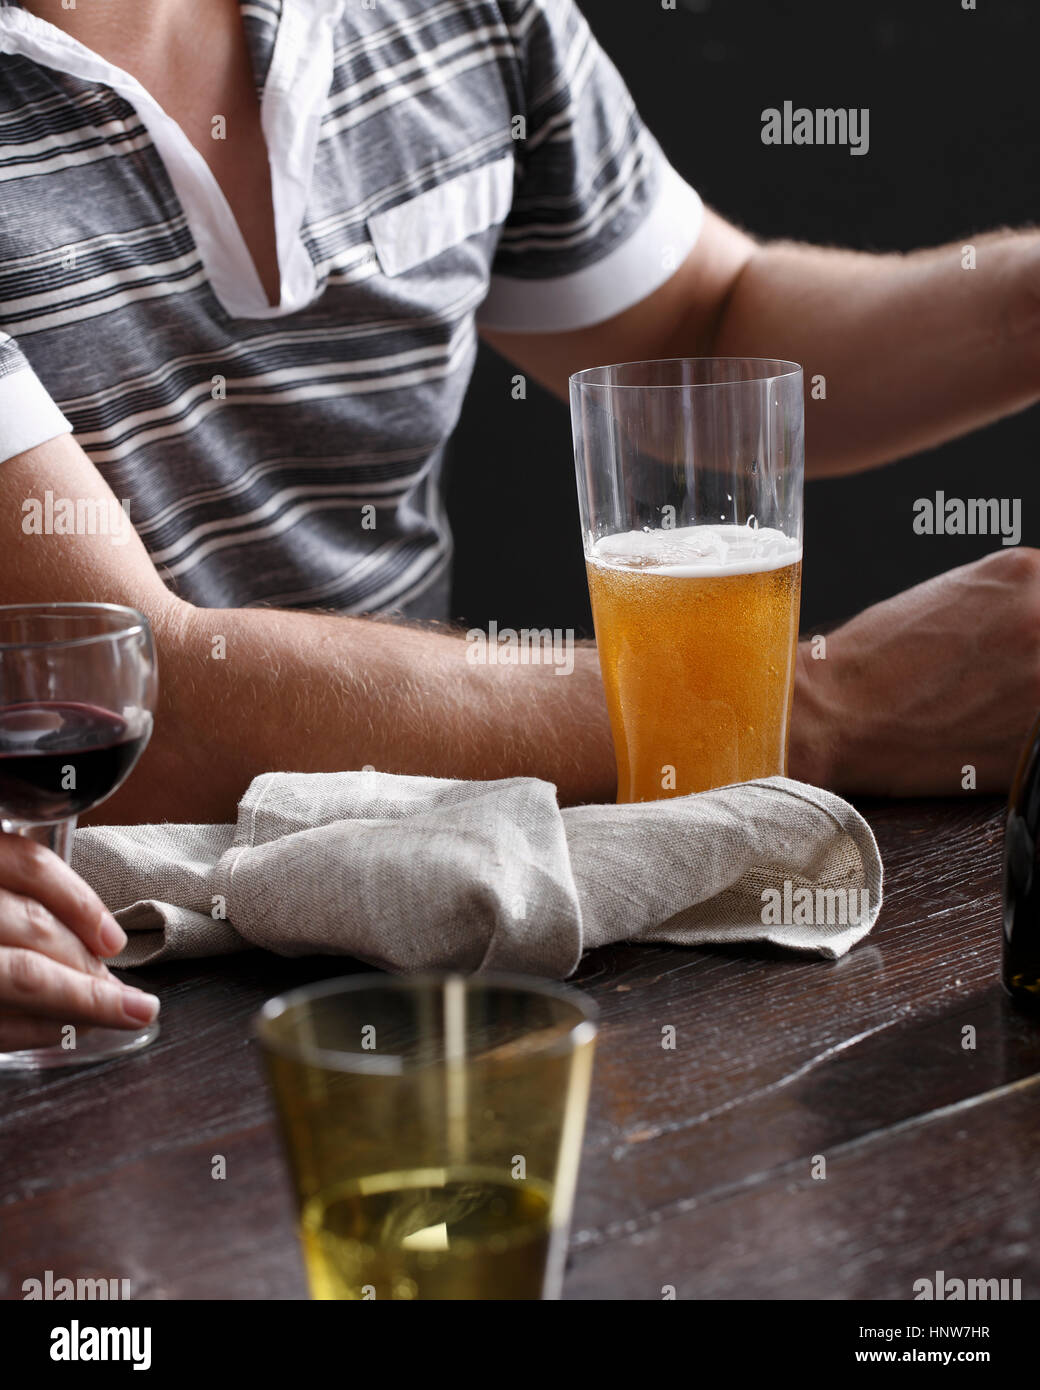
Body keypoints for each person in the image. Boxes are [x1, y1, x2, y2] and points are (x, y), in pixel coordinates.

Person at [0, 0, 1037, 1028]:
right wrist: (815, 705)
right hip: (93, 973)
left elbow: (701, 326)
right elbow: (137, 697)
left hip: (432, 929)